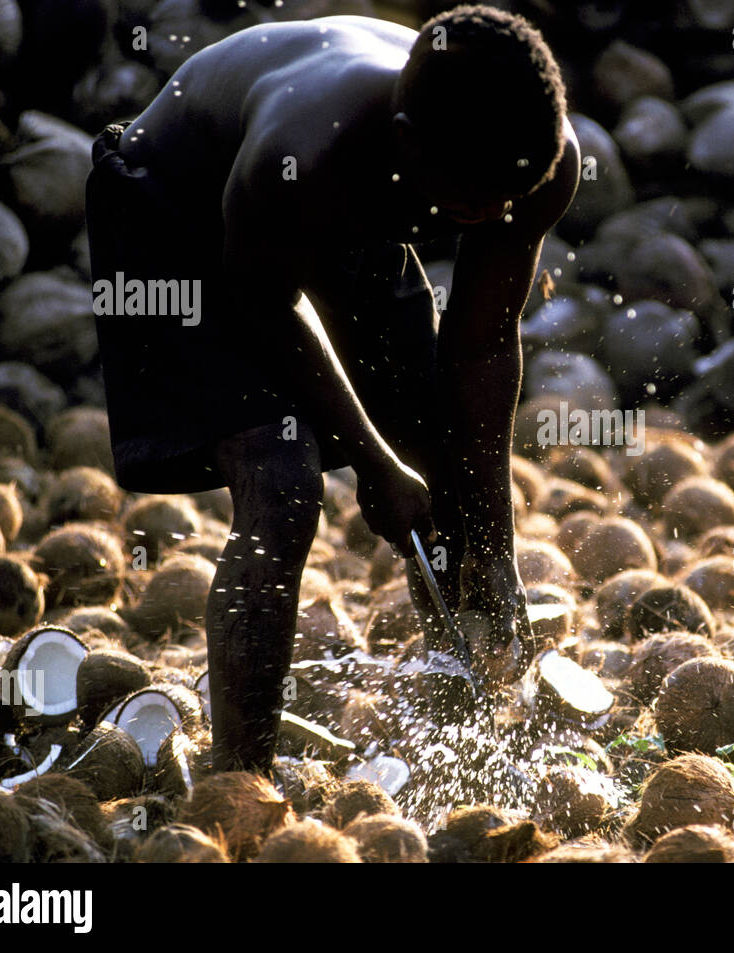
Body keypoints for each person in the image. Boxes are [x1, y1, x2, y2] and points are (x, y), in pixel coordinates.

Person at [85, 4, 580, 772]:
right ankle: (238, 786)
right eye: (471, 204)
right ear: (411, 140)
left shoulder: (531, 165)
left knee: (450, 472)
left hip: (344, 222)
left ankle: (472, 736)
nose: (493, 218)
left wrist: (497, 547)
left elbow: (480, 348)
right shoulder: (308, 146)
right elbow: (263, 305)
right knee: (283, 483)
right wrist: (375, 466)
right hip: (181, 209)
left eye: (505, 204)